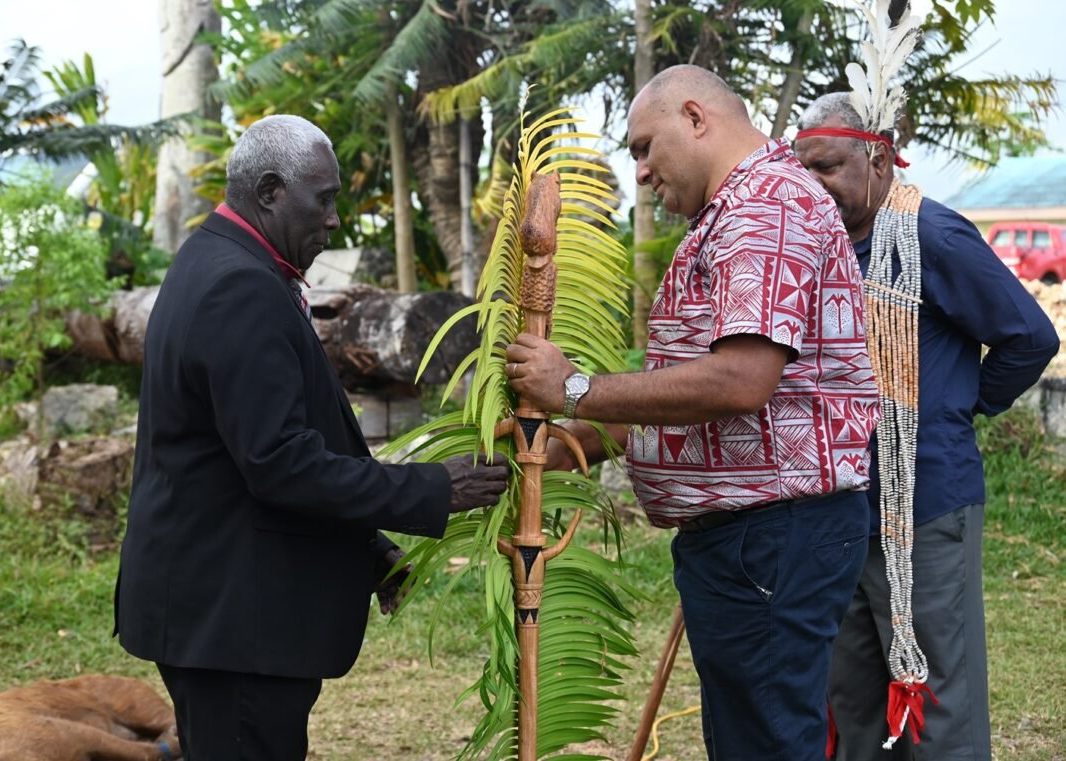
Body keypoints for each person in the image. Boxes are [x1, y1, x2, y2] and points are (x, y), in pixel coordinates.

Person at [504, 64, 880, 760]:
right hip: (756, 535)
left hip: (771, 534)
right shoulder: (737, 210)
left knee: (766, 742)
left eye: (645, 146)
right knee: (749, 737)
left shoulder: (765, 207)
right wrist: (578, 438)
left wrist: (577, 386)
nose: (641, 171)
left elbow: (742, 380)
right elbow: (689, 385)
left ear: (696, 117)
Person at [114, 114, 509, 761]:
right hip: (232, 624)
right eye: (323, 199)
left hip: (220, 612)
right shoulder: (240, 286)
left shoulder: (221, 260)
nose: (332, 219)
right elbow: (280, 462)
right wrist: (437, 486)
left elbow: (254, 443)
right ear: (271, 191)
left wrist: (365, 542)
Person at [794, 92, 1059, 760]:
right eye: (804, 170)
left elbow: (1028, 337)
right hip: (839, 508)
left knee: (937, 703)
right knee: (850, 699)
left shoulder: (933, 237)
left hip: (927, 504)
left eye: (827, 166)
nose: (814, 185)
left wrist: (951, 409)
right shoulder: (821, 247)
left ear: (878, 157)